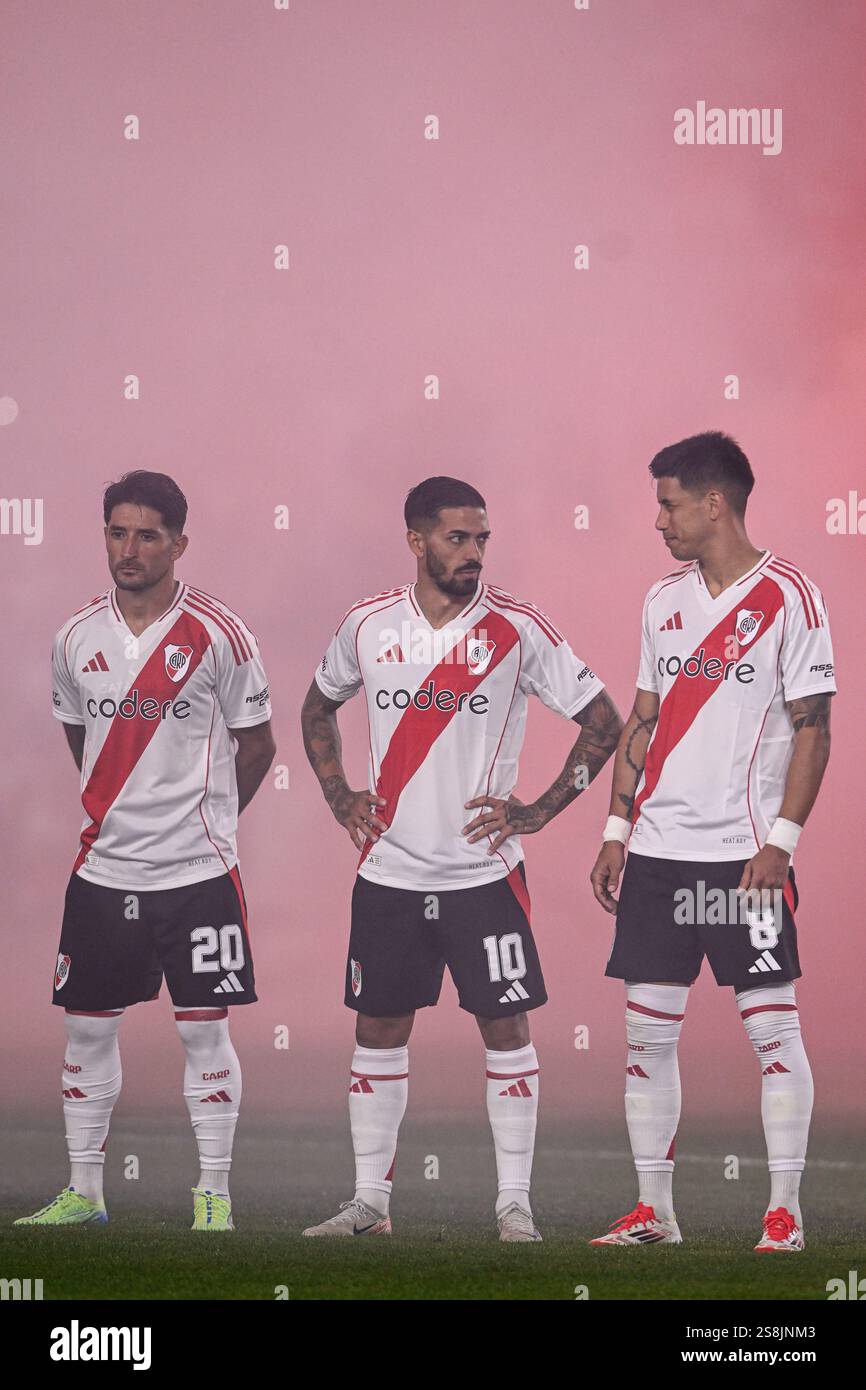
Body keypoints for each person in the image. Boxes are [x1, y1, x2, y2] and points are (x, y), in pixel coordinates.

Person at [301, 476, 621, 1241]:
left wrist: (538, 810)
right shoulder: (368, 625)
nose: (473, 553)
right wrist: (340, 792)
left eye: (482, 539)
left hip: (485, 876)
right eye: (457, 538)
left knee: (506, 1028)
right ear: (416, 540)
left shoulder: (518, 628)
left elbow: (604, 722)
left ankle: (515, 1205)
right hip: (390, 875)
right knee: (378, 1030)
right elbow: (317, 705)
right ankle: (370, 1206)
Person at [590, 432, 835, 1252]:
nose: (659, 520)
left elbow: (815, 729)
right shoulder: (661, 600)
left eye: (669, 504)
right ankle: (653, 1212)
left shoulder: (792, 597)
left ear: (714, 502)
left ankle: (785, 1215)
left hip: (744, 860)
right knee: (646, 1037)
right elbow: (644, 719)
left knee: (772, 1033)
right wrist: (618, 828)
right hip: (659, 856)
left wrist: (784, 843)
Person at [15, 471, 275, 1232]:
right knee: (87, 1028)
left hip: (197, 874)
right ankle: (85, 1192)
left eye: (147, 535)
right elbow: (81, 738)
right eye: (116, 532)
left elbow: (255, 745)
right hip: (103, 872)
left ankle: (214, 1195)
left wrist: (210, 822)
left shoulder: (221, 635)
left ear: (179, 543)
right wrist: (121, 812)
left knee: (203, 1030)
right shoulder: (75, 637)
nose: (129, 549)